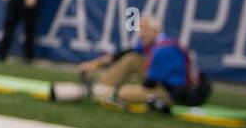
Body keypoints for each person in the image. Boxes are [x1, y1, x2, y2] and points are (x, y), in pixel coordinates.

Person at [49, 14, 210, 112]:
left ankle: (98, 91)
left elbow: (149, 84)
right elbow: (124, 53)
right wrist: (94, 64)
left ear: (155, 31)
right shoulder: (156, 43)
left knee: (125, 93)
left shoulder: (164, 50)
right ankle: (101, 87)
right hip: (165, 83)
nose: (140, 34)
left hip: (176, 93)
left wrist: (121, 89)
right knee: (132, 58)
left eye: (143, 30)